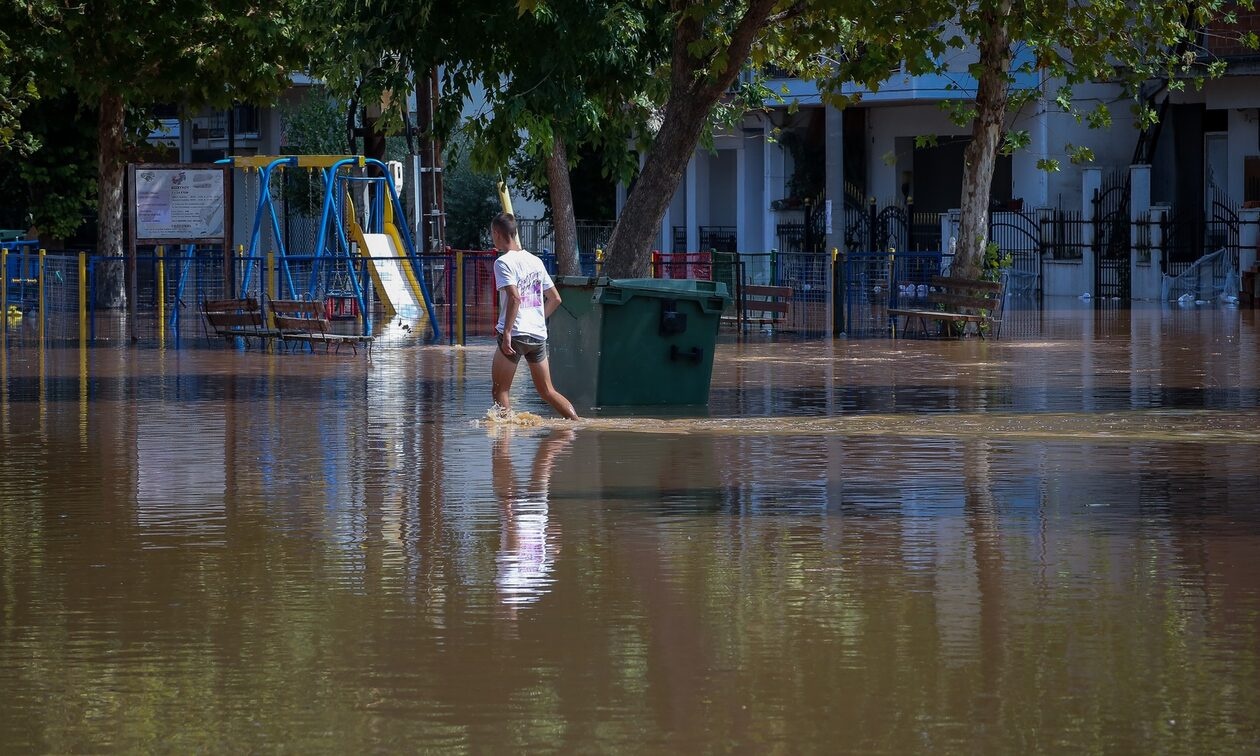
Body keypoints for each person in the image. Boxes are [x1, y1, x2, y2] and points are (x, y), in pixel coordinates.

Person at [490, 212, 579, 420]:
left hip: (515, 334)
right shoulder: (535, 261)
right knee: (547, 391)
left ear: (497, 233)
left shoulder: (502, 263)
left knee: (500, 391)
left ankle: (503, 447)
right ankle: (577, 424)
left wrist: (508, 332)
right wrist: (538, 320)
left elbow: (515, 298)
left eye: (492, 234)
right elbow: (555, 298)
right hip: (537, 336)